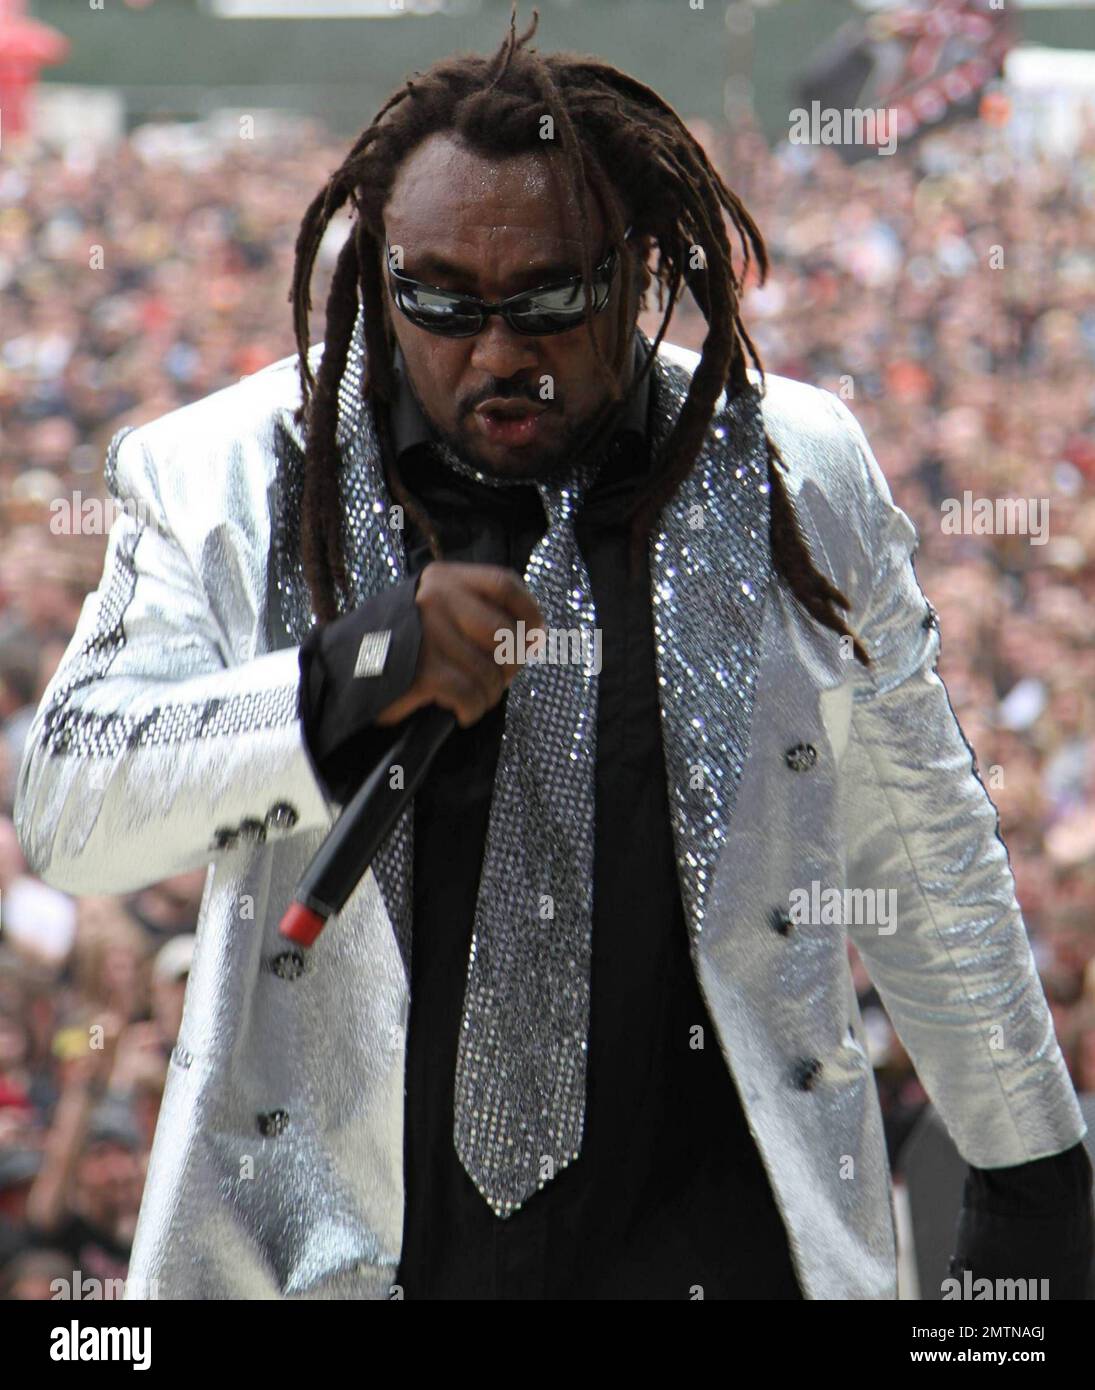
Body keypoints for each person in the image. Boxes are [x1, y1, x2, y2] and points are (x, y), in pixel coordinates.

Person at [13, 15, 1092, 1300]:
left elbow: (925, 846)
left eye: (551, 301)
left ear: (641, 272)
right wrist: (349, 679)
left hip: (711, 1247)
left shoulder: (796, 467)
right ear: (378, 276)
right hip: (351, 1263)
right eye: (443, 303)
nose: (498, 351)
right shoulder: (227, 476)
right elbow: (75, 807)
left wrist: (1032, 1169)